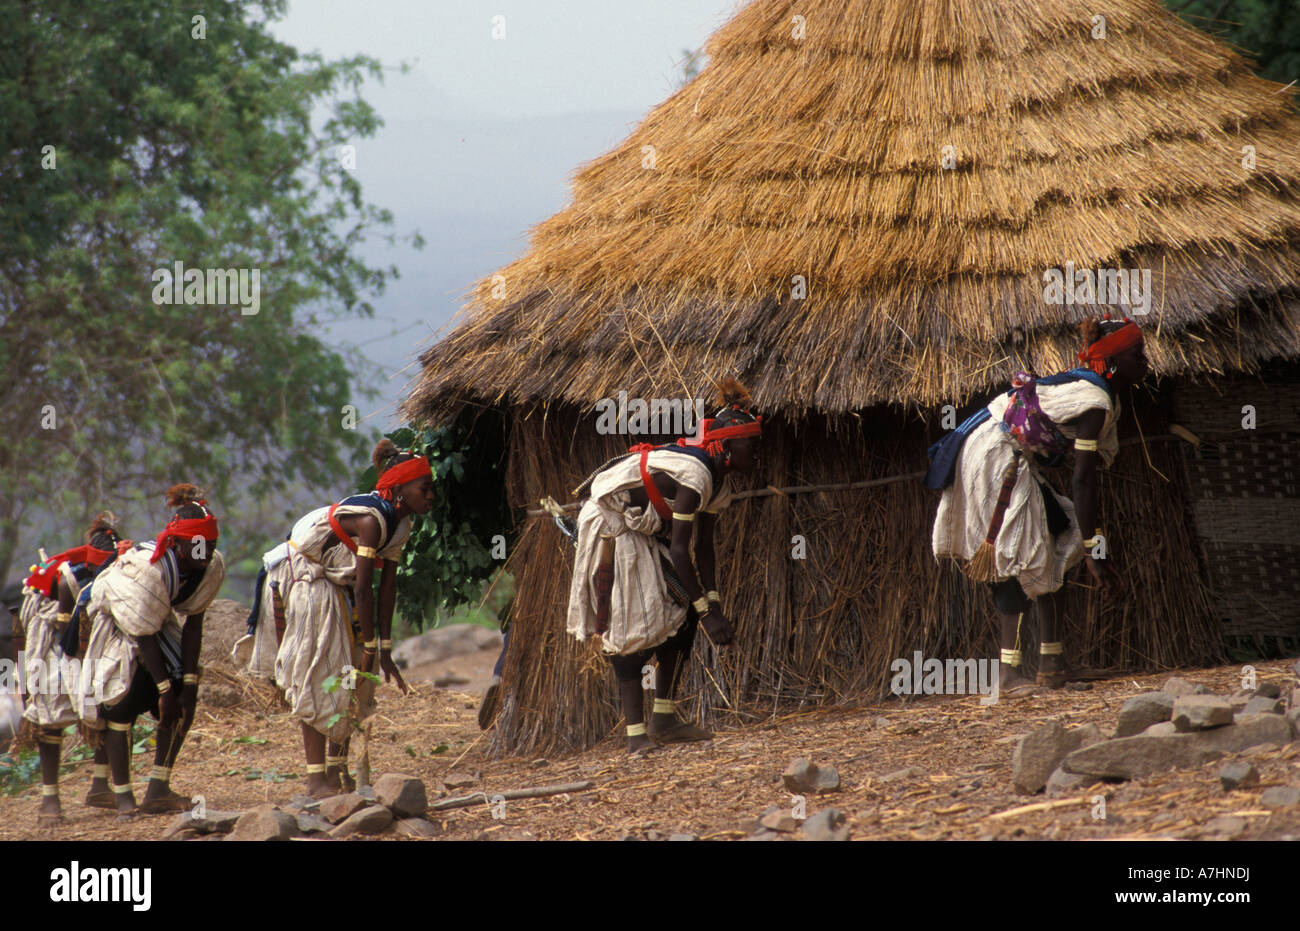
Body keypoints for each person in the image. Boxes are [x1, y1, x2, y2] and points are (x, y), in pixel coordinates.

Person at [930, 317, 1149, 693]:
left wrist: (1092, 547)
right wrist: (1096, 555)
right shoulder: (1094, 401)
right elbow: (1082, 480)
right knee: (1017, 554)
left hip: (1008, 451)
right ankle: (1007, 675)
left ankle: (1051, 664)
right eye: (1137, 354)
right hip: (993, 453)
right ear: (1112, 362)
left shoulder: (1096, 394)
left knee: (1056, 536)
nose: (1146, 361)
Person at [567, 379, 761, 755]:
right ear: (724, 445)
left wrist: (711, 605)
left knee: (682, 614)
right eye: (750, 445)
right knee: (632, 625)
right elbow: (680, 551)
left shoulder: (718, 485)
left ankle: (665, 718)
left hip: (643, 528)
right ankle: (636, 735)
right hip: (613, 525)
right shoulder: (696, 476)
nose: (756, 453)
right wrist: (710, 615)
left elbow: (704, 548)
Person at [274, 439, 432, 798]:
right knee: (319, 670)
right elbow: (364, 589)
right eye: (425, 488)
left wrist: (384, 649)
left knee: (352, 676)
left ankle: (337, 772)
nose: (431, 496)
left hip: (338, 580)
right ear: (399, 489)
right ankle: (317, 781)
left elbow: (387, 587)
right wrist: (370, 646)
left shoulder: (400, 525)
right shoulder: (371, 521)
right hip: (307, 574)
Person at [74, 486, 224, 816]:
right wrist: (164, 689)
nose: (205, 551)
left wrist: (186, 683)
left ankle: (158, 788)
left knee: (186, 700)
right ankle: (125, 797)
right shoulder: (145, 569)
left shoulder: (209, 567)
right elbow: (141, 631)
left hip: (157, 624)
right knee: (120, 702)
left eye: (210, 544)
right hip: (119, 625)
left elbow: (193, 624)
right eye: (198, 544)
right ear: (178, 542)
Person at [14, 514, 125, 824]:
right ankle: (50, 799)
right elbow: (68, 635)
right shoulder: (68, 579)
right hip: (56, 643)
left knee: (107, 706)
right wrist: (80, 673)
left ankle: (100, 786)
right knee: (51, 716)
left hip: (94, 640)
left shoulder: (119, 575)